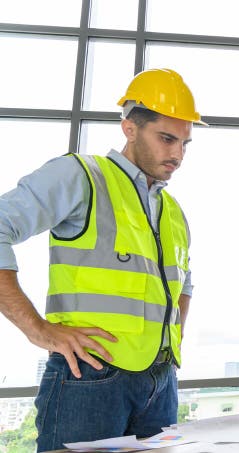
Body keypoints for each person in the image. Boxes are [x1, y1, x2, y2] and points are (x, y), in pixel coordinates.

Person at [0, 68, 203, 451]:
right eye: (166, 139)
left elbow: (183, 284)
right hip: (90, 379)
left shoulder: (171, 209)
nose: (176, 154)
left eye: (185, 143)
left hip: (160, 383)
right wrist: (37, 328)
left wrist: (169, 346)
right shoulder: (81, 176)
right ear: (129, 128)